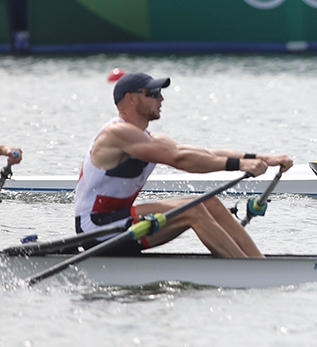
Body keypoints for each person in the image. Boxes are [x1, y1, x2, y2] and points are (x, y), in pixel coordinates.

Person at [73, 72, 292, 257]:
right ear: (131, 99)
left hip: (119, 219)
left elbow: (205, 153)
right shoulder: (117, 133)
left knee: (210, 202)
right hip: (96, 229)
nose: (161, 100)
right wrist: (238, 165)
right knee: (194, 209)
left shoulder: (148, 139)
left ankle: (258, 263)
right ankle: (250, 272)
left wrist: (262, 159)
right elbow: (180, 160)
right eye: (154, 94)